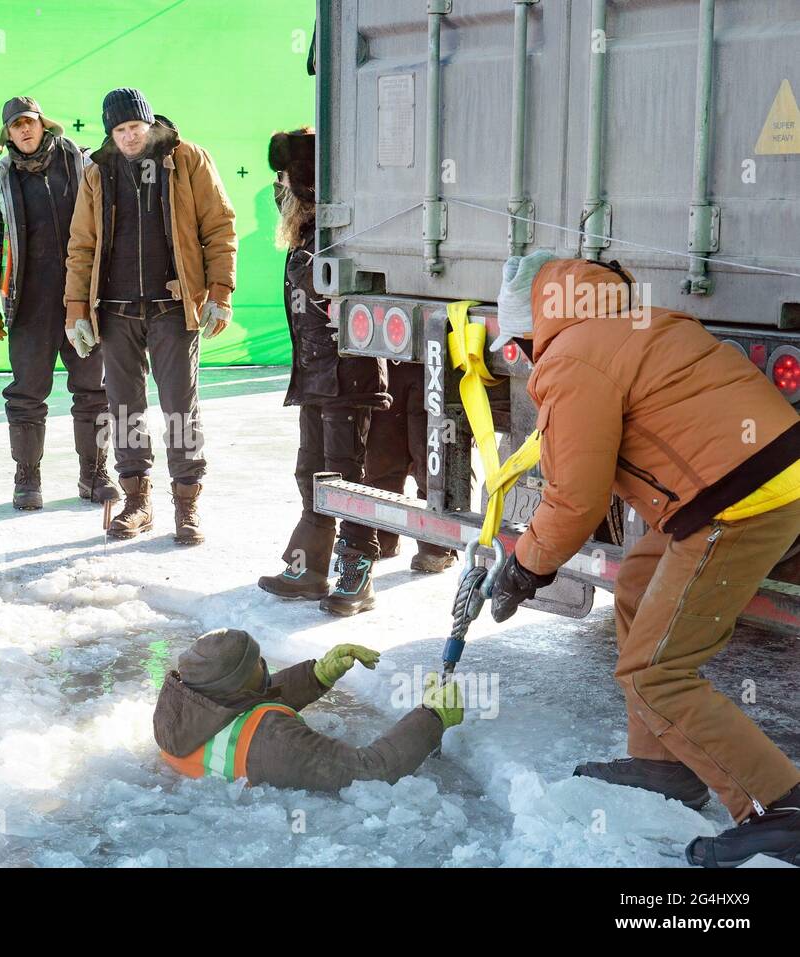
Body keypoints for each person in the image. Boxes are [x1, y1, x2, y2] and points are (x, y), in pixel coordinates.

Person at [486, 251, 800, 867]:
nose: (522, 360)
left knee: (656, 671)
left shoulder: (571, 360)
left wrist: (524, 566)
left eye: (518, 348)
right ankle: (665, 765)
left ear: (530, 331)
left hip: (739, 501)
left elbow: (574, 497)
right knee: (637, 580)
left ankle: (781, 806)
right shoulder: (631, 321)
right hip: (749, 475)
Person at [64, 88, 238, 544]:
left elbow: (219, 225)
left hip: (173, 308)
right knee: (124, 409)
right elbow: (81, 244)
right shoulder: (97, 171)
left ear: (149, 123)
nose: (128, 138)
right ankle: (137, 502)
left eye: (134, 128)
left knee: (180, 407)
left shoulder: (188, 159)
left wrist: (220, 291)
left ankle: (187, 504)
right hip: (116, 310)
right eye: (119, 131)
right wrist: (76, 309)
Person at [256, 128, 391, 617]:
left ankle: (357, 572)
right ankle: (308, 567)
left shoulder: (339, 234)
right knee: (310, 471)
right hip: (314, 376)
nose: (279, 192)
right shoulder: (305, 233)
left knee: (346, 477)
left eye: (284, 181)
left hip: (347, 377)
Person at [0, 96, 115, 510]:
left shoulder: (84, 165)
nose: (25, 130)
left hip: (84, 302)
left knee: (93, 390)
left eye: (29, 122)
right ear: (8, 135)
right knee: (27, 394)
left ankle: (95, 474)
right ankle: (27, 479)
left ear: (44, 125)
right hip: (29, 304)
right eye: (16, 126)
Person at [154, 628, 462, 790]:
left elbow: (241, 706)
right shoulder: (274, 739)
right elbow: (372, 770)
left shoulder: (178, 709)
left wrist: (317, 675)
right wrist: (432, 717)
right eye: (258, 665)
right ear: (241, 682)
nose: (265, 667)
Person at [363, 361, 459, 573]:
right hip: (388, 349)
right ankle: (383, 534)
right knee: (382, 454)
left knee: (431, 458)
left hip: (438, 355)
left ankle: (437, 544)